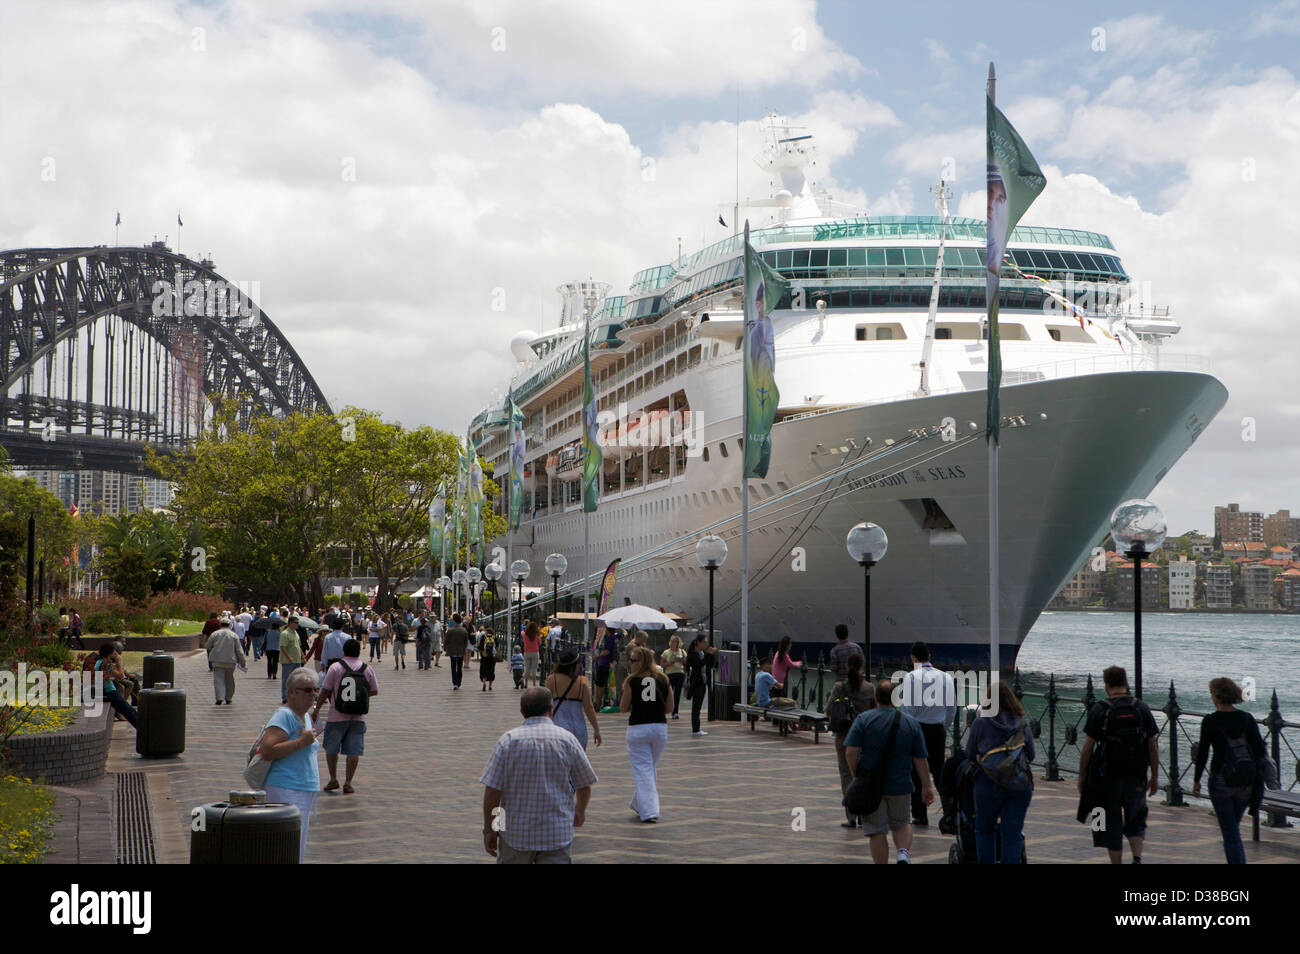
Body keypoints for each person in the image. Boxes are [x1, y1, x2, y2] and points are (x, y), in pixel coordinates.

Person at [480, 687, 599, 864]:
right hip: (556, 834)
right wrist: (579, 811)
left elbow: (493, 792)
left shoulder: (508, 741)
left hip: (516, 834)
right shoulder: (567, 740)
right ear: (551, 709)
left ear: (522, 712)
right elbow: (584, 785)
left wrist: (492, 828)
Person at [844, 679, 935, 864]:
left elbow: (850, 751)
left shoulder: (864, 719)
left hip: (871, 785)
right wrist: (927, 786)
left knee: (876, 831)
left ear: (876, 697)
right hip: (901, 784)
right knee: (902, 824)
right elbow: (920, 758)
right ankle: (902, 853)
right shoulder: (910, 723)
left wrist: (856, 775)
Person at [1078, 665, 1160, 864]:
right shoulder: (1140, 707)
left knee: (1108, 823)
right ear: (1126, 682)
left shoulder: (1100, 709)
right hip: (1137, 773)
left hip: (1107, 778)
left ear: (1106, 684)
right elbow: (1152, 747)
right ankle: (1137, 858)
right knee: (1136, 818)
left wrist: (1082, 777)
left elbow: (1088, 748)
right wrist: (1155, 776)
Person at [1193, 677, 1268, 864]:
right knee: (1232, 828)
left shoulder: (1210, 721)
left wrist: (1196, 780)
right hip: (1245, 782)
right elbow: (1260, 751)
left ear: (1216, 695)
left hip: (1221, 781)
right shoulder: (1247, 719)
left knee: (1230, 833)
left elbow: (1203, 753)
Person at [965, 679, 1035, 863]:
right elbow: (1032, 755)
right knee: (1011, 834)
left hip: (987, 782)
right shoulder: (1022, 724)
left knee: (985, 830)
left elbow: (970, 754)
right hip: (1018, 783)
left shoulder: (980, 724)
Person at [260, 668, 324, 864]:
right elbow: (267, 750)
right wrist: (300, 742)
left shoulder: (304, 715)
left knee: (296, 848)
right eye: (307, 690)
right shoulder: (284, 716)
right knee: (285, 848)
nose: (313, 694)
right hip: (286, 789)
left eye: (315, 689)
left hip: (301, 789)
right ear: (291, 692)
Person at [312, 639, 379, 794]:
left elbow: (326, 690)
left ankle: (333, 779)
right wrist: (360, 695)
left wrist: (316, 709)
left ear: (344, 651)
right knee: (353, 751)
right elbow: (374, 690)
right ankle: (348, 782)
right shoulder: (367, 668)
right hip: (358, 716)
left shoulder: (335, 667)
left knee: (331, 749)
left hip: (337, 715)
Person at [899, 641, 956, 826]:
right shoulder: (945, 677)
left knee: (915, 772)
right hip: (938, 729)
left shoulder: (911, 677)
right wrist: (943, 727)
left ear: (913, 658)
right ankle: (949, 810)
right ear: (929, 656)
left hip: (918, 728)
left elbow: (908, 708)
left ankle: (919, 814)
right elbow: (951, 708)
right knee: (939, 771)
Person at [620, 646, 673, 822]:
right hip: (659, 728)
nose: (630, 662)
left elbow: (623, 708)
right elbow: (669, 708)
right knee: (648, 769)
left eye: (633, 660)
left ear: (642, 662)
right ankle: (638, 803)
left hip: (638, 728)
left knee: (643, 770)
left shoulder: (631, 681)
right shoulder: (664, 679)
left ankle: (650, 811)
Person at [830, 653, 874, 827]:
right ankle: (864, 813)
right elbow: (874, 710)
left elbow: (829, 709)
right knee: (864, 773)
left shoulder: (839, 687)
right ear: (862, 666)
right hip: (864, 735)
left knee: (846, 775)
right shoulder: (869, 688)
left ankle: (851, 816)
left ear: (847, 666)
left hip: (843, 735)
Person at [545, 648, 603, 750]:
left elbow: (545, 705)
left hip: (558, 727)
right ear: (575, 665)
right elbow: (589, 708)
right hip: (578, 729)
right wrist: (596, 730)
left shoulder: (552, 679)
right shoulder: (582, 682)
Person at [95, 643, 138, 727]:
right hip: (110, 692)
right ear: (109, 653)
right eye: (114, 651)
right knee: (131, 714)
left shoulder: (99, 662)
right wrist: (119, 661)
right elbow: (121, 676)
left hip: (107, 691)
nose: (116, 652)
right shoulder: (106, 664)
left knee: (131, 712)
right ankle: (145, 733)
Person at [205, 619, 247, 705]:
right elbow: (239, 650)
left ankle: (219, 697)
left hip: (217, 660)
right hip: (230, 661)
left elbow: (208, 646)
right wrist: (242, 661)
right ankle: (228, 697)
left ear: (220, 625)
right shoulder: (234, 635)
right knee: (229, 680)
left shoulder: (215, 634)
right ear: (230, 625)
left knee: (218, 679)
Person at [684, 633, 715, 737]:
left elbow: (709, 665)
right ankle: (695, 729)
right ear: (698, 642)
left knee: (699, 706)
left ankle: (697, 728)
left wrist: (711, 655)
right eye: (704, 642)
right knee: (696, 707)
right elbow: (698, 664)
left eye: (706, 642)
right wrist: (708, 654)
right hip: (696, 682)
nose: (706, 644)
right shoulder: (693, 654)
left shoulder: (702, 653)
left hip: (703, 681)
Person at [659, 634, 687, 720]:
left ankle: (675, 712)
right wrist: (669, 663)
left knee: (677, 694)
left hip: (680, 674)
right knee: (667, 693)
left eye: (674, 641)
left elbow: (687, 665)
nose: (672, 643)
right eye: (671, 641)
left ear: (678, 643)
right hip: (669, 674)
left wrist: (683, 661)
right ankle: (664, 710)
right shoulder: (666, 652)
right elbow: (662, 665)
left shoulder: (682, 652)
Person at [279, 616, 304, 704]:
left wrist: (303, 656)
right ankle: (285, 696)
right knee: (287, 679)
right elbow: (282, 646)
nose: (297, 624)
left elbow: (298, 646)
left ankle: (294, 696)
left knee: (296, 679)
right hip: (288, 661)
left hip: (297, 660)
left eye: (298, 623)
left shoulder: (296, 633)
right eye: (296, 623)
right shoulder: (285, 633)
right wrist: (289, 657)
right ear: (290, 623)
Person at [593, 626, 619, 708]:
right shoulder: (615, 637)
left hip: (604, 663)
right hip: (609, 663)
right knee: (601, 683)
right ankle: (599, 701)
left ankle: (597, 703)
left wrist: (598, 656)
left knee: (599, 684)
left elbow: (607, 651)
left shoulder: (609, 638)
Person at [771, 636, 802, 702]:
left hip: (775, 679)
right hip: (781, 680)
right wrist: (799, 663)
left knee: (777, 698)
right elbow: (791, 665)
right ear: (787, 645)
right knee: (782, 698)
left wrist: (795, 662)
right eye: (790, 643)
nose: (791, 645)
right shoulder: (785, 655)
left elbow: (788, 662)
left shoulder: (778, 653)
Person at [444, 614, 469, 689]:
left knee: (453, 667)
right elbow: (466, 642)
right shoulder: (464, 631)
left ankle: (455, 682)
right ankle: (459, 682)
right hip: (461, 651)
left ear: (454, 621)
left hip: (452, 651)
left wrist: (445, 647)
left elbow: (446, 641)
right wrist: (464, 648)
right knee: (459, 667)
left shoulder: (450, 630)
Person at [521, 621, 542, 687]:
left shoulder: (524, 634)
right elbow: (539, 643)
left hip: (527, 652)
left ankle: (526, 683)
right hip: (535, 652)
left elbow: (522, 632)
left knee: (527, 668)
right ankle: (534, 683)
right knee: (534, 668)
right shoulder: (537, 635)